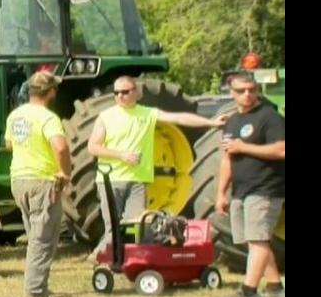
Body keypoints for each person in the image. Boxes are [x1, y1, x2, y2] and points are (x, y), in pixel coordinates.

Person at [86, 76, 224, 255]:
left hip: (138, 181)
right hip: (112, 180)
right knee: (113, 227)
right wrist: (121, 155)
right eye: (117, 93)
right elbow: (93, 147)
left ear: (136, 93)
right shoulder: (106, 117)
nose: (120, 96)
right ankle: (100, 258)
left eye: (125, 92)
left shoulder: (147, 114)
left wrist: (210, 122)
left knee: (136, 225)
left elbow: (179, 118)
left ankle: (128, 261)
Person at [215, 72, 285, 297]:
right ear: (231, 92)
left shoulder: (270, 117)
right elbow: (227, 158)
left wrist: (243, 147)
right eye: (241, 90)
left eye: (252, 89)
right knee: (251, 240)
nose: (247, 94)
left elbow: (281, 150)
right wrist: (220, 193)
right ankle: (275, 287)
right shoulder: (232, 121)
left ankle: (249, 293)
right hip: (241, 190)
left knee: (258, 239)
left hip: (265, 187)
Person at [4, 72, 72, 297]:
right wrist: (64, 172)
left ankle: (38, 284)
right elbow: (60, 147)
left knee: (35, 234)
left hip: (18, 180)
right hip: (42, 181)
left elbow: (9, 144)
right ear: (51, 91)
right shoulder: (48, 118)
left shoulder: (15, 115)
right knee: (43, 238)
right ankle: (34, 290)